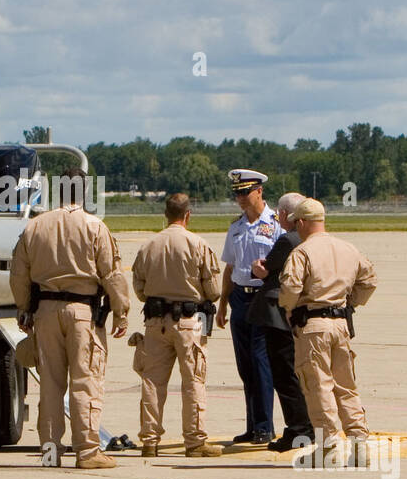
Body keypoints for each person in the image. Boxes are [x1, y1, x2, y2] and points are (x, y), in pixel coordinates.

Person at [10, 168, 130, 469]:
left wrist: (24, 309)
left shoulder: (34, 227)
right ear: (85, 192)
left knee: (50, 383)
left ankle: (50, 450)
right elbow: (111, 274)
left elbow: (18, 275)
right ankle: (88, 451)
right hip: (82, 313)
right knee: (84, 380)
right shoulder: (95, 226)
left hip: (45, 312)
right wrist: (121, 311)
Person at [277, 198, 378, 462]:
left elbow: (290, 289)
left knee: (318, 386)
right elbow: (369, 281)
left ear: (301, 222)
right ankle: (359, 445)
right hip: (341, 324)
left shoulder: (302, 252)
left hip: (313, 326)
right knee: (346, 386)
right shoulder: (348, 248)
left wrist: (288, 309)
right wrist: (350, 303)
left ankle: (329, 446)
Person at [131, 193, 223, 458]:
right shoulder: (197, 244)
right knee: (193, 381)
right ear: (188, 215)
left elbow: (139, 289)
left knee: (151, 383)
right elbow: (214, 290)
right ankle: (194, 442)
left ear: (165, 214)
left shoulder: (149, 246)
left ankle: (149, 441)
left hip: (155, 322)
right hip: (189, 323)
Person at [216, 169, 281, 445]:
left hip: (263, 298)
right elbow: (230, 267)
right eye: (236, 194)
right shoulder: (237, 227)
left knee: (260, 361)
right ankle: (252, 425)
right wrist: (222, 303)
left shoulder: (276, 224)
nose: (240, 198)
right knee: (245, 365)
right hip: (239, 299)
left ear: (259, 191)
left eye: (244, 192)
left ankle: (266, 425)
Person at [249, 192, 316, 453]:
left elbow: (267, 269)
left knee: (284, 374)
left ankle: (299, 428)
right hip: (306, 314)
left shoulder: (288, 240)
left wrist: (258, 268)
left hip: (279, 316)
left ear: (288, 215)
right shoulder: (313, 239)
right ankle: (306, 425)